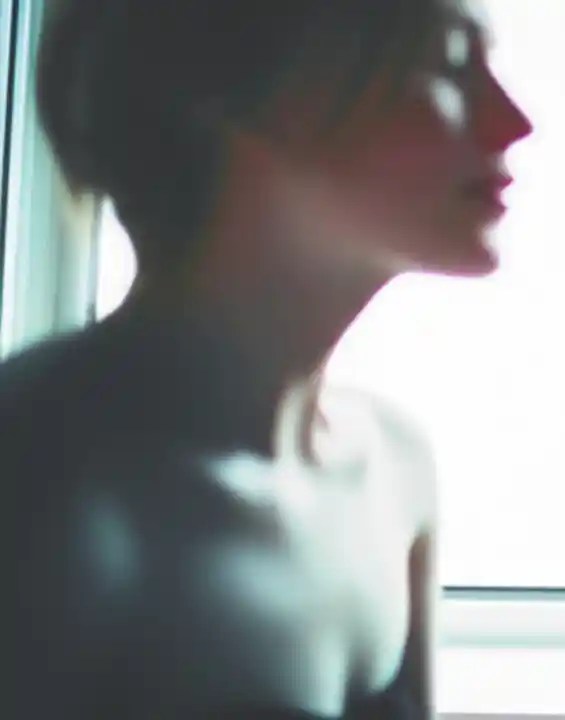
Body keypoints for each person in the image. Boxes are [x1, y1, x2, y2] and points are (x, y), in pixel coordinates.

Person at [1, 0, 531, 717]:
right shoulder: (37, 476)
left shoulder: (396, 470)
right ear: (241, 89)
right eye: (448, 65)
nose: (513, 122)